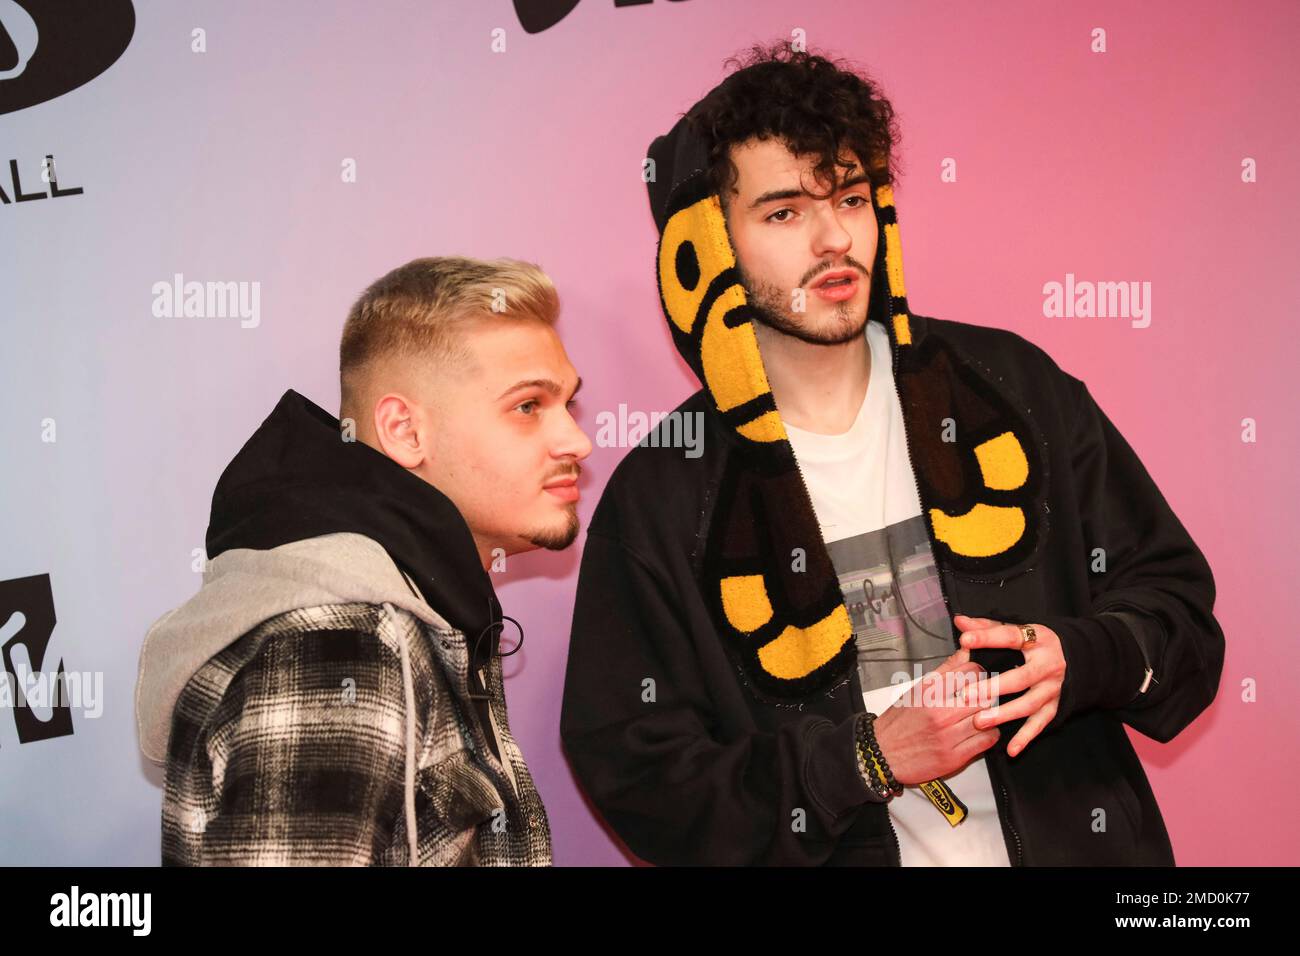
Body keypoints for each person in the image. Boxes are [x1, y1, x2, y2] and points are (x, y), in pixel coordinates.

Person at [560, 44, 1224, 866]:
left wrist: (1083, 659)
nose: (835, 238)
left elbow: (1181, 616)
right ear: (709, 244)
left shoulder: (1013, 388)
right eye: (784, 213)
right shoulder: (663, 494)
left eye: (850, 197)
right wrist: (864, 762)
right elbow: (641, 776)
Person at [135, 256, 591, 865]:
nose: (577, 441)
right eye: (529, 406)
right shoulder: (341, 644)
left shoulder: (420, 604)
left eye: (568, 405)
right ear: (404, 431)